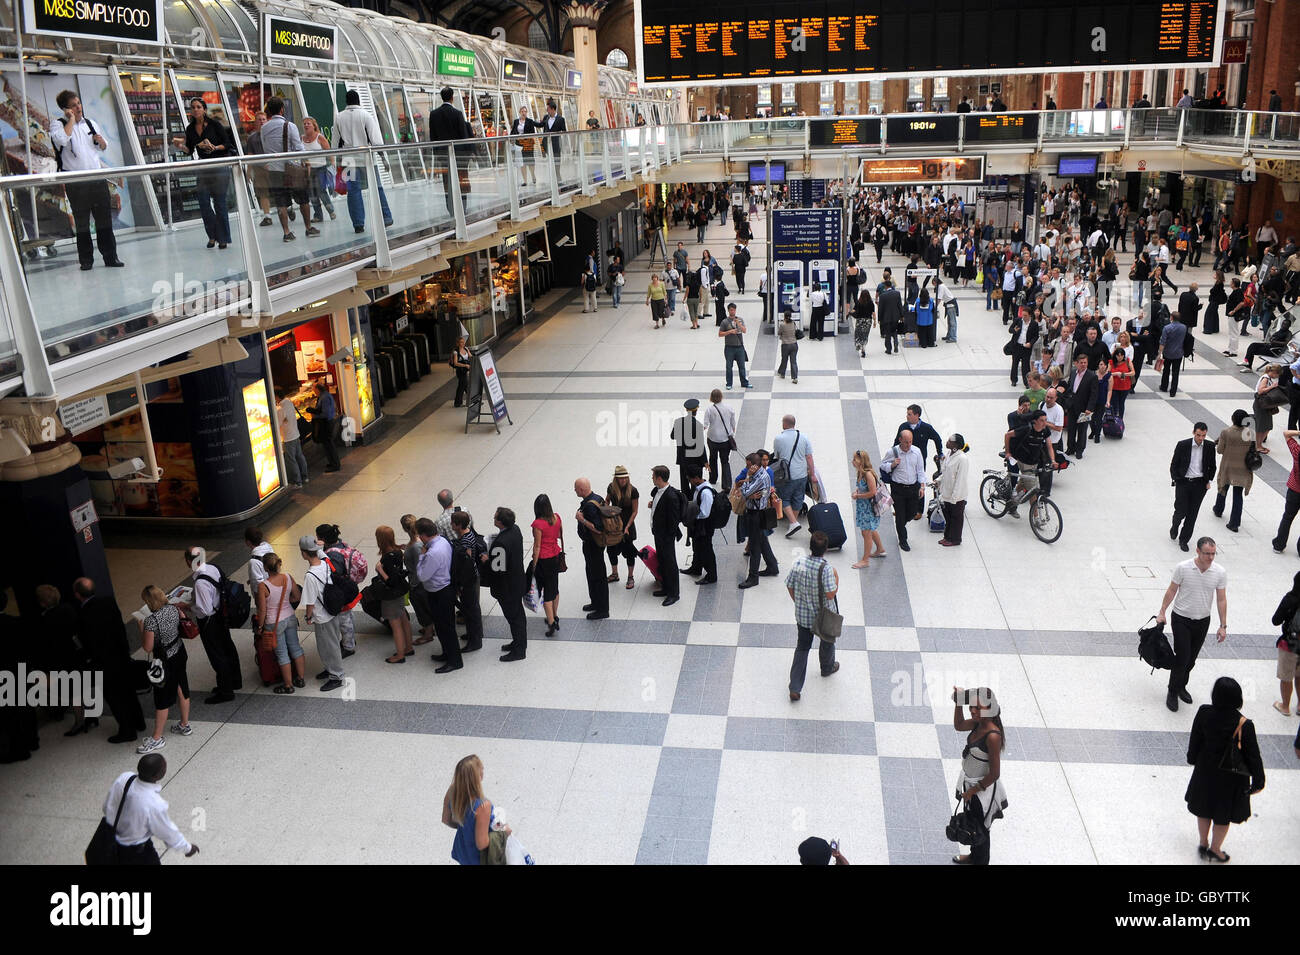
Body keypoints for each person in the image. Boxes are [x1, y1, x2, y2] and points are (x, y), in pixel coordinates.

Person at [1184, 677, 1264, 863]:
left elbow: (1195, 738)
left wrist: (1192, 758)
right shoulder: (1244, 724)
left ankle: (1203, 843)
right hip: (1231, 777)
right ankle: (1215, 849)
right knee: (1222, 815)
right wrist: (1258, 781)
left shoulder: (1204, 712)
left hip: (1205, 770)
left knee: (1204, 809)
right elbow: (1253, 755)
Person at [50, 90, 123, 270]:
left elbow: (103, 147)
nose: (78, 107)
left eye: (79, 103)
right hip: (76, 182)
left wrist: (102, 142)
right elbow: (61, 140)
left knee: (104, 219)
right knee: (82, 222)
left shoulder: (91, 124)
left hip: (97, 179)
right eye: (73, 105)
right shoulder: (58, 125)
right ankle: (86, 260)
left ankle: (110, 256)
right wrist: (71, 120)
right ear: (66, 109)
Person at [1157, 536, 1228, 713]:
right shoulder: (1183, 568)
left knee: (1191, 659)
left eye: (1213, 554)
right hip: (1181, 617)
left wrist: (1223, 625)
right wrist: (1162, 611)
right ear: (1197, 551)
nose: (1211, 558)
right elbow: (1172, 590)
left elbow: (1221, 599)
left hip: (1202, 620)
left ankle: (1182, 685)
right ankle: (1172, 691)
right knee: (1182, 657)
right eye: (1207, 553)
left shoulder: (1219, 572)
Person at [72, 578, 144, 743]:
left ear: (77, 594)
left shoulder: (83, 615)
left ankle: (127, 730)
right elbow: (119, 628)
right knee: (128, 691)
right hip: (121, 655)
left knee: (115, 697)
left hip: (103, 663)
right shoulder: (108, 602)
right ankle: (139, 721)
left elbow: (87, 643)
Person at [100, 755, 200, 864]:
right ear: (157, 775)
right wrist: (188, 848)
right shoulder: (154, 804)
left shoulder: (125, 778)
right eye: (164, 767)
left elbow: (107, 806)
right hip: (135, 853)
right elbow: (167, 832)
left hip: (107, 838)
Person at [950, 687, 1007, 865]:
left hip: (982, 791)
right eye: (971, 707)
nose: (973, 711)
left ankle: (980, 861)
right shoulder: (978, 724)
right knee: (974, 825)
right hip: (971, 787)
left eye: (978, 708)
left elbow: (995, 774)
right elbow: (959, 725)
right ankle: (974, 857)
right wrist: (959, 702)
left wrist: (973, 791)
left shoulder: (992, 736)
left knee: (981, 830)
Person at [134, 586, 192, 755]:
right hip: (179, 652)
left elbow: (147, 647)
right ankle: (184, 724)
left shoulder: (151, 621)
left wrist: (141, 630)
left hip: (165, 659)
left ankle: (157, 738)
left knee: (162, 698)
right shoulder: (173, 608)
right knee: (182, 688)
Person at [785, 531, 840, 702]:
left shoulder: (798, 563)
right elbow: (831, 594)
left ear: (810, 547)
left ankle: (795, 686)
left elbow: (789, 585)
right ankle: (827, 667)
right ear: (825, 550)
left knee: (802, 648)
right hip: (824, 616)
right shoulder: (827, 569)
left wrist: (798, 602)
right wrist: (836, 579)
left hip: (803, 616)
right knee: (828, 641)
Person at [172, 97, 233, 249]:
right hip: (203, 167)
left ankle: (223, 238)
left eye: (199, 107)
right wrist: (181, 146)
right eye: (193, 107)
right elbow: (190, 150)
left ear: (204, 109)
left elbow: (227, 144)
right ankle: (213, 235)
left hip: (219, 165)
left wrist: (215, 147)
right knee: (204, 203)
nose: (196, 109)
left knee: (220, 204)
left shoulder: (215, 125)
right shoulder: (190, 128)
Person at [185, 548, 241, 704]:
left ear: (189, 562)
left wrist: (188, 606)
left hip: (210, 622)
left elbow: (204, 610)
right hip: (221, 615)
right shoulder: (213, 568)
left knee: (217, 655)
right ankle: (235, 681)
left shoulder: (200, 583)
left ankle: (225, 691)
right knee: (228, 647)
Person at [335, 89, 394, 232]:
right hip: (367, 159)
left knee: (353, 191)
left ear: (346, 102)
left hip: (349, 160)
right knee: (377, 188)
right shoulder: (366, 115)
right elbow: (376, 141)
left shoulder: (339, 118)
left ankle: (358, 224)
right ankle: (386, 218)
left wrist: (338, 161)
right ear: (358, 100)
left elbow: (336, 142)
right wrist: (383, 158)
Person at [261, 96, 316, 243]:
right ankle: (308, 227)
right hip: (292, 169)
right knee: (303, 198)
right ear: (282, 109)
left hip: (274, 170)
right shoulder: (289, 125)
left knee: (281, 202)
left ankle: (286, 232)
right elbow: (298, 148)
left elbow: (265, 148)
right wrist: (306, 161)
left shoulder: (264, 128)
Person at [442, 754, 509, 865]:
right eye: (481, 768)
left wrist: (466, 827)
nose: (483, 770)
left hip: (462, 851)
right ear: (477, 776)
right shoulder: (482, 806)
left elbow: (446, 819)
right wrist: (503, 831)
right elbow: (482, 843)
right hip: (477, 858)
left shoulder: (452, 790)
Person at [300, 536, 346, 691]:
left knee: (330, 645)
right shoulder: (326, 563)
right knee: (326, 645)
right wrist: (319, 545)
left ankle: (337, 676)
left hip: (322, 615)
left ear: (304, 554)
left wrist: (308, 616)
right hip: (332, 609)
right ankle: (330, 668)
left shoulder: (310, 576)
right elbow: (321, 553)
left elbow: (310, 602)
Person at [254, 552, 305, 692]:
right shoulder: (288, 577)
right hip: (290, 617)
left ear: (265, 568)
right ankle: (300, 679)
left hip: (273, 623)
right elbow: (297, 596)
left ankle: (288, 686)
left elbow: (262, 611)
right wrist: (286, 603)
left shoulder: (263, 586)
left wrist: (260, 626)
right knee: (296, 648)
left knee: (282, 654)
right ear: (279, 564)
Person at [482, 508, 528, 661]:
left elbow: (498, 569)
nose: (493, 519)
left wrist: (487, 560)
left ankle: (519, 650)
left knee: (514, 618)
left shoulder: (501, 543)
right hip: (516, 581)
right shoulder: (515, 529)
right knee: (517, 617)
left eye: (495, 518)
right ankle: (518, 642)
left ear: (500, 522)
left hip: (507, 588)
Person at [415, 518, 459, 672]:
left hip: (440, 593)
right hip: (444, 589)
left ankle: (454, 661)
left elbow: (422, 576)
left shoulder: (432, 553)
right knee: (442, 626)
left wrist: (421, 556)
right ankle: (447, 653)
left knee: (446, 628)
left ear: (423, 535)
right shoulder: (443, 541)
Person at [1169, 423, 1217, 553]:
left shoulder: (1210, 446)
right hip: (1184, 482)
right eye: (1198, 435)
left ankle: (1184, 540)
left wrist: (1208, 481)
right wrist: (1176, 479)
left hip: (1200, 485)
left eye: (1203, 435)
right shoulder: (1183, 445)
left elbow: (1213, 466)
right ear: (1193, 433)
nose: (1201, 438)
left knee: (1192, 513)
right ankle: (1175, 526)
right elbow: (1174, 464)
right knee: (1180, 510)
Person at [738, 452, 779, 588]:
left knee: (755, 546)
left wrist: (747, 480)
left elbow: (744, 493)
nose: (747, 468)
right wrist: (749, 490)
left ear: (755, 466)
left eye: (749, 466)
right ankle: (772, 566)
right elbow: (751, 492)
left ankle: (753, 577)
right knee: (762, 540)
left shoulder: (759, 477)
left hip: (755, 514)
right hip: (758, 512)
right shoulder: (760, 475)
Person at [880, 428, 925, 552]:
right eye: (906, 442)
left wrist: (922, 486)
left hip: (913, 488)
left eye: (910, 441)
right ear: (900, 440)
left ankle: (901, 524)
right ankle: (903, 540)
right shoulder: (892, 452)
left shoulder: (916, 452)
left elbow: (920, 470)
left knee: (911, 513)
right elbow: (882, 465)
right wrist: (892, 465)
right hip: (898, 488)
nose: (908, 445)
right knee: (900, 516)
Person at [373, 525, 413, 664]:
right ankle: (409, 647)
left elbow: (391, 581)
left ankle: (400, 655)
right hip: (401, 591)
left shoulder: (387, 558)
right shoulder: (397, 552)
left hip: (391, 595)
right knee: (403, 618)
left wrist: (380, 570)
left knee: (395, 625)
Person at [573, 479, 609, 620]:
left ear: (582, 489)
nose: (574, 490)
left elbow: (599, 529)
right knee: (591, 574)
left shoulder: (589, 506)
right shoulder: (597, 498)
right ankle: (595, 602)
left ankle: (603, 610)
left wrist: (582, 520)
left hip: (593, 545)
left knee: (598, 577)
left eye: (576, 488)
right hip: (592, 545)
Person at [1212, 411, 1253, 534]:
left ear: (1233, 419)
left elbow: (1219, 450)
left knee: (1223, 487)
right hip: (1243, 468)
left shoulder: (1226, 432)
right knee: (1238, 494)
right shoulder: (1250, 433)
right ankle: (1234, 523)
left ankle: (1218, 509)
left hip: (1228, 466)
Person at [649, 465, 684, 607]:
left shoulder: (671, 496)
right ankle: (665, 587)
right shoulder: (658, 491)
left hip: (666, 537)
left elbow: (673, 520)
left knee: (670, 564)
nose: (651, 478)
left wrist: (668, 537)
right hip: (658, 533)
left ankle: (674, 594)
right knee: (662, 561)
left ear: (659, 478)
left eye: (653, 476)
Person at [450, 511, 484, 654]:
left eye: (453, 523)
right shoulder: (469, 534)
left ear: (458, 525)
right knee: (473, 608)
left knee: (470, 610)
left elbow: (466, 563)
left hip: (468, 580)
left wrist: (461, 584)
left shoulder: (465, 541)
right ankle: (474, 634)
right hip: (473, 577)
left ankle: (474, 641)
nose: (451, 525)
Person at [529, 494, 564, 636]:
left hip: (544, 559)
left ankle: (551, 623)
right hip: (555, 556)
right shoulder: (557, 517)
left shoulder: (538, 524)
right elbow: (560, 535)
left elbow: (537, 546)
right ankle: (555, 615)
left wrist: (534, 565)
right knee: (554, 588)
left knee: (546, 593)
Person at [604, 466, 640, 590]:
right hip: (614, 525)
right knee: (611, 550)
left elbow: (635, 511)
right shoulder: (611, 488)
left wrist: (628, 526)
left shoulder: (633, 490)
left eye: (625, 477)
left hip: (627, 524)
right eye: (620, 478)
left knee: (629, 552)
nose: (623, 480)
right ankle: (615, 574)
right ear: (616, 479)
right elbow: (606, 501)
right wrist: (607, 514)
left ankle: (630, 576)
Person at [850, 450, 884, 568]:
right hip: (863, 507)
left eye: (855, 459)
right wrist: (857, 492)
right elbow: (863, 488)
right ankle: (880, 548)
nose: (853, 461)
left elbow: (872, 492)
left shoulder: (868, 474)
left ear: (861, 461)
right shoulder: (860, 473)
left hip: (868, 508)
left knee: (866, 533)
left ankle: (865, 560)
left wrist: (858, 496)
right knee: (870, 529)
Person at [1272, 573, 1300, 715]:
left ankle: (1285, 706)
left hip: (1289, 644)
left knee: (1286, 676)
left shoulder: (1290, 599)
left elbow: (1276, 620)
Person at [685, 468, 719, 585]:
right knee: (697, 547)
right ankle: (696, 568)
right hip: (699, 526)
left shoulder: (705, 492)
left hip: (705, 526)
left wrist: (691, 516)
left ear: (696, 478)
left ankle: (711, 576)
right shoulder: (698, 488)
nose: (690, 482)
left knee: (706, 550)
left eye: (690, 479)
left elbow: (704, 513)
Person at [300, 116, 335, 223]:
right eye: (304, 124)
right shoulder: (301, 139)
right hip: (308, 169)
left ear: (314, 126)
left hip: (321, 168)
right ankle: (318, 215)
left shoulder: (320, 137)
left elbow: (329, 151)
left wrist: (333, 164)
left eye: (308, 123)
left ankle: (330, 210)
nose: (306, 125)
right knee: (312, 192)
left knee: (321, 190)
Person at [1062, 353, 1098, 459]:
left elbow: (1094, 394)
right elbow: (1070, 388)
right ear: (1076, 363)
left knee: (1082, 431)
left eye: (1085, 363)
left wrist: (1089, 409)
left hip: (1084, 409)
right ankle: (1070, 448)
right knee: (1071, 429)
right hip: (1072, 407)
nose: (1083, 364)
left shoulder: (1092, 376)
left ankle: (1079, 450)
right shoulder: (1073, 373)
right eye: (1081, 363)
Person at [937, 434, 970, 547]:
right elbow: (945, 472)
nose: (947, 442)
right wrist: (938, 480)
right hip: (946, 493)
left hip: (957, 496)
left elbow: (960, 480)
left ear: (955, 444)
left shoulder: (962, 459)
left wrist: (954, 498)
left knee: (956, 518)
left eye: (950, 441)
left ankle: (955, 539)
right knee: (949, 517)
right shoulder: (949, 454)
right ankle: (947, 537)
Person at [1272, 430, 1300, 554]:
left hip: (1294, 490)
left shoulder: (1297, 451)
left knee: (1287, 517)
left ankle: (1279, 544)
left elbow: (1286, 433)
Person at [703, 389, 738, 489]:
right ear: (721, 396)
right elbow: (733, 423)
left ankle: (713, 479)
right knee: (725, 461)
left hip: (712, 439)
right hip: (725, 440)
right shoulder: (729, 408)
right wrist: (732, 431)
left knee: (713, 459)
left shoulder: (710, 409)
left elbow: (705, 425)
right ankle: (726, 484)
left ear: (711, 397)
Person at [275, 388, 308, 487]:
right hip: (296, 433)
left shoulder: (280, 408)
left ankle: (297, 482)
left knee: (291, 460)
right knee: (300, 456)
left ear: (276, 396)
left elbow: (278, 423)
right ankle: (305, 477)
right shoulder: (289, 402)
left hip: (288, 437)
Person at [719, 303, 752, 390]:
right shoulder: (725, 321)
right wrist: (729, 332)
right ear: (728, 310)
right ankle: (729, 383)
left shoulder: (740, 319)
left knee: (742, 366)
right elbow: (720, 334)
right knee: (729, 366)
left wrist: (738, 324)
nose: (732, 311)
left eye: (734, 310)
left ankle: (744, 382)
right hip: (729, 347)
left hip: (739, 347)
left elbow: (744, 331)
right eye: (731, 310)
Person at [310, 382, 341, 472]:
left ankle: (335, 464)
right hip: (327, 422)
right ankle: (332, 462)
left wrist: (314, 416)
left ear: (317, 389)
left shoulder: (324, 397)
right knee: (327, 444)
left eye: (314, 389)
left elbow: (325, 414)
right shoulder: (324, 396)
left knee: (329, 444)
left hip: (327, 423)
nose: (314, 391)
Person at [1253, 365, 1283, 454]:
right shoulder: (1265, 378)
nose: (1277, 377)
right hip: (1261, 405)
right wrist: (1272, 387)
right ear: (1274, 373)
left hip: (1265, 406)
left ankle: (1259, 444)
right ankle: (1258, 446)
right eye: (1278, 375)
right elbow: (1260, 391)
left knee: (1267, 426)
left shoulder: (1267, 378)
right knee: (1262, 426)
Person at [509, 105, 538, 187]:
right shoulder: (516, 121)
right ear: (520, 112)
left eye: (525, 111)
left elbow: (532, 132)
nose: (523, 113)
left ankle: (533, 175)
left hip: (528, 144)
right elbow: (513, 131)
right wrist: (511, 139)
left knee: (530, 161)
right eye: (522, 111)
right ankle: (525, 181)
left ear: (527, 112)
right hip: (519, 144)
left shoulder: (530, 121)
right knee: (522, 163)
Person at [1105, 345, 1134, 421]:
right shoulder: (1111, 362)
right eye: (1118, 356)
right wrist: (1116, 373)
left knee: (1121, 403)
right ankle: (1113, 419)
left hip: (1125, 387)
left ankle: (1120, 419)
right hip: (1114, 386)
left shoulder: (1127, 361)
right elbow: (1108, 373)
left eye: (1121, 356)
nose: (1119, 357)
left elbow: (1133, 372)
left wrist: (1124, 374)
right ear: (1115, 356)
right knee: (1114, 403)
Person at [877, 280, 904, 355]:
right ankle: (895, 342)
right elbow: (900, 306)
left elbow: (880, 308)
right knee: (894, 330)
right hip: (895, 317)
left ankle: (888, 349)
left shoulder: (882, 296)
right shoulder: (897, 294)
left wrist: (879, 319)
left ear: (885, 286)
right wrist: (902, 316)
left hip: (886, 318)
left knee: (888, 333)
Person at [777, 311, 801, 383]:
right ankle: (795, 377)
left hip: (785, 345)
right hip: (794, 344)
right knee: (793, 361)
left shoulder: (782, 325)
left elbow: (779, 333)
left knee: (784, 360)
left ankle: (782, 374)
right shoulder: (793, 323)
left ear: (784, 316)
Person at [450, 336, 472, 407]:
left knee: (462, 386)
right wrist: (465, 365)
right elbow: (455, 363)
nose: (463, 343)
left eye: (463, 342)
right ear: (458, 343)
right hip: (460, 371)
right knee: (464, 386)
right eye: (461, 342)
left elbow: (471, 356)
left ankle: (458, 403)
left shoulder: (466, 349)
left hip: (465, 371)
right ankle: (470, 401)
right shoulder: (456, 352)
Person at [853, 288, 874, 356]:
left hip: (860, 320)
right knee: (865, 335)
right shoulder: (871, 303)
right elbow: (873, 313)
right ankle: (863, 348)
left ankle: (858, 344)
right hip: (868, 321)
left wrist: (849, 313)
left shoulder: (858, 302)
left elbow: (854, 310)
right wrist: (875, 321)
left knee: (858, 333)